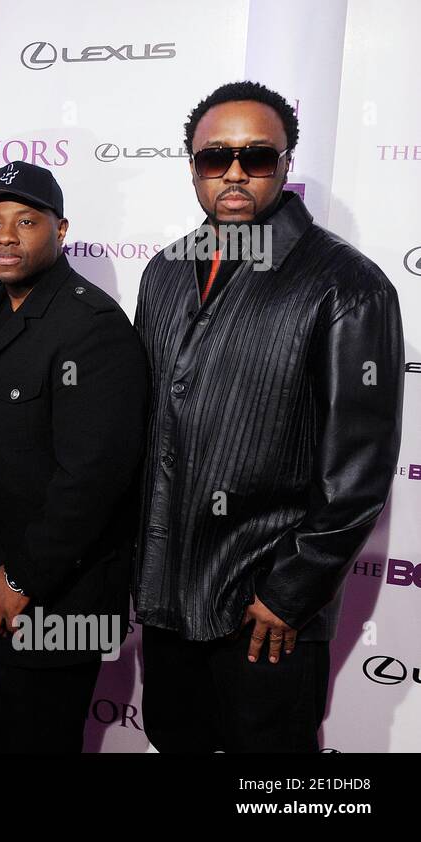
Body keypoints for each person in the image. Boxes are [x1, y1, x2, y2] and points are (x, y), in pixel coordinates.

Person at [134, 81, 403, 752]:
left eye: (255, 157)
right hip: (167, 603)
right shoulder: (165, 272)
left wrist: (290, 592)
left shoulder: (348, 284)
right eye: (212, 158)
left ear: (285, 165)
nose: (232, 173)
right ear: (191, 165)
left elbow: (359, 471)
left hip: (265, 612)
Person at [0, 161, 147, 752]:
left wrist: (23, 577)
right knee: (0, 730)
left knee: (40, 740)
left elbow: (94, 478)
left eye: (26, 221)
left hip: (55, 592)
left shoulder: (92, 326)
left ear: (62, 228)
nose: (5, 236)